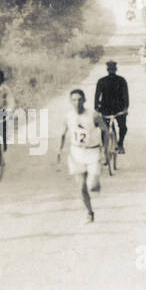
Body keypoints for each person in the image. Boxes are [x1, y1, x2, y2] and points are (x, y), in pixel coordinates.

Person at [57, 88, 105, 223]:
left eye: (79, 99)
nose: (77, 102)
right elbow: (62, 133)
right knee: (81, 188)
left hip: (93, 152)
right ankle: (90, 212)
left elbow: (105, 131)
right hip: (77, 153)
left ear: (84, 100)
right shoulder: (68, 116)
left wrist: (106, 150)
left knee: (93, 186)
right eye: (74, 100)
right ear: (70, 101)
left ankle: (96, 180)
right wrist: (59, 150)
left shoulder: (93, 115)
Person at [94, 60, 130, 154]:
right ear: (108, 70)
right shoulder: (103, 81)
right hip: (110, 109)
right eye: (110, 69)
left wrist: (126, 108)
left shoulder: (120, 80)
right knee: (106, 129)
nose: (111, 71)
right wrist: (96, 109)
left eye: (112, 69)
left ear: (115, 69)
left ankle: (120, 143)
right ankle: (106, 149)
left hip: (116, 109)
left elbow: (126, 95)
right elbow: (97, 96)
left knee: (122, 127)